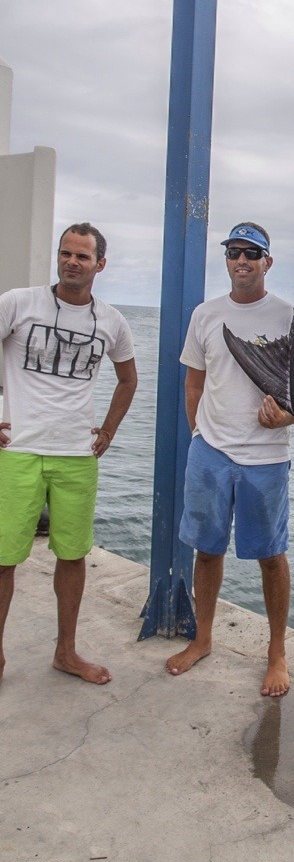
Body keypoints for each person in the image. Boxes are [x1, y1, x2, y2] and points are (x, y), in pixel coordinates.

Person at [0, 222, 138, 684]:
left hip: (77, 455)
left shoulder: (111, 321)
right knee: (3, 558)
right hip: (17, 450)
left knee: (73, 555)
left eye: (82, 256)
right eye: (65, 253)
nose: (71, 262)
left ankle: (66, 652)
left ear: (100, 264)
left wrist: (111, 430)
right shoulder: (19, 303)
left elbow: (128, 378)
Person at [166, 222, 294, 697]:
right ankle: (203, 638)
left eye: (252, 253)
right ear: (227, 260)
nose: (242, 261)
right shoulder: (205, 314)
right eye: (234, 252)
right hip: (211, 453)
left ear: (268, 262)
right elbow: (194, 383)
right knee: (207, 549)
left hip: (267, 459)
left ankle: (277, 652)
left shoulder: (290, 317)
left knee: (271, 557)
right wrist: (200, 434)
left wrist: (288, 417)